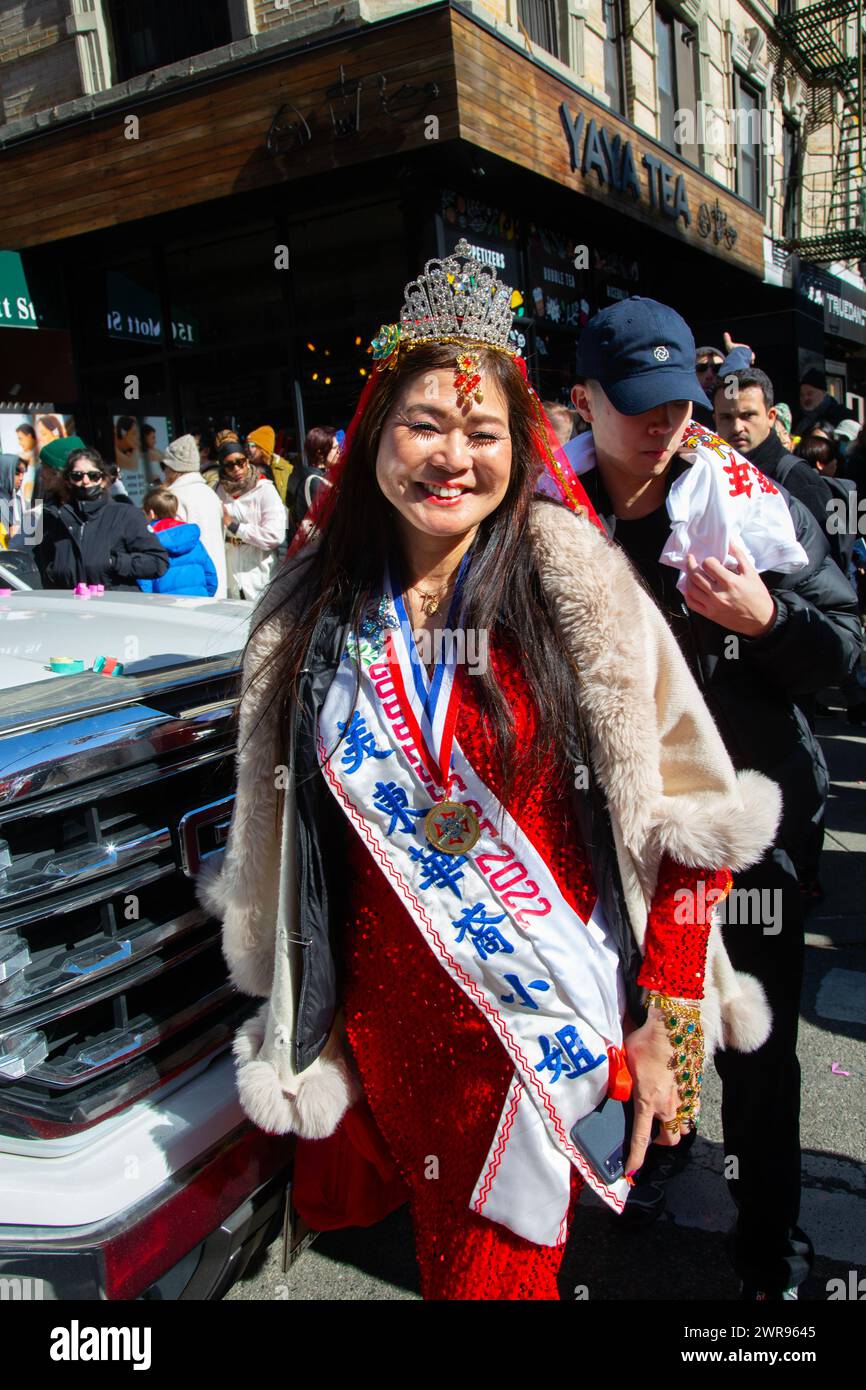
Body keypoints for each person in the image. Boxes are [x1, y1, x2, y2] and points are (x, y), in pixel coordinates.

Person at [200, 242, 782, 1302]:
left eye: (480, 431)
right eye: (423, 423)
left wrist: (678, 1034)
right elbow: (289, 847)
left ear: (518, 445)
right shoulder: (305, 615)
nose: (450, 456)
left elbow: (691, 818)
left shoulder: (571, 583)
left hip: (540, 1026)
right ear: (375, 432)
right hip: (387, 1032)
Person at [565, 296, 861, 1299]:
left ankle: (767, 1247)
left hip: (746, 824)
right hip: (609, 832)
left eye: (681, 405)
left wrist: (769, 617)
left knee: (755, 1042)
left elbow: (850, 658)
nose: (666, 428)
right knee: (640, 1013)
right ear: (583, 402)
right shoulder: (546, 515)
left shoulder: (746, 498)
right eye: (639, 407)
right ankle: (649, 1159)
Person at [713, 368, 846, 569]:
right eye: (726, 417)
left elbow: (828, 576)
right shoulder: (711, 474)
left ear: (771, 416)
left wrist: (768, 601)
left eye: (748, 415)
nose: (737, 427)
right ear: (715, 419)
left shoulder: (800, 480)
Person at [34, 446, 169, 591]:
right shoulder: (55, 518)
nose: (85, 481)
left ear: (103, 480)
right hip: (72, 607)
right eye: (77, 476)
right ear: (67, 480)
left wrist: (114, 562)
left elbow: (158, 562)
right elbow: (41, 562)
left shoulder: (125, 514)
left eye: (93, 476)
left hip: (115, 605)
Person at [215, 440, 286, 601]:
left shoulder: (265, 490)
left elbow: (275, 535)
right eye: (230, 465)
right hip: (230, 574)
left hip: (259, 573)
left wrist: (234, 527)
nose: (237, 469)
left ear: (247, 460)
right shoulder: (219, 490)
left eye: (240, 462)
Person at [163, 434, 227, 599]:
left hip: (188, 586)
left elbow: (172, 545)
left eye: (165, 465)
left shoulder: (174, 497)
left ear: (173, 468)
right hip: (215, 580)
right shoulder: (209, 493)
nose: (163, 471)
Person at [138, 487, 218, 597]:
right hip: (199, 604)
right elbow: (211, 577)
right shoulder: (193, 540)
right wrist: (204, 597)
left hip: (166, 607)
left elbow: (144, 583)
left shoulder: (148, 542)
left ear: (151, 513)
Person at [793, 368, 855, 438]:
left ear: (823, 393)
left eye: (810, 393)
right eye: (802, 395)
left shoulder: (843, 416)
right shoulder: (798, 420)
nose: (805, 398)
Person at [247, 425, 294, 506]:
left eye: (251, 445)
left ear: (262, 447)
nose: (246, 449)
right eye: (246, 446)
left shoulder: (286, 469)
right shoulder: (247, 470)